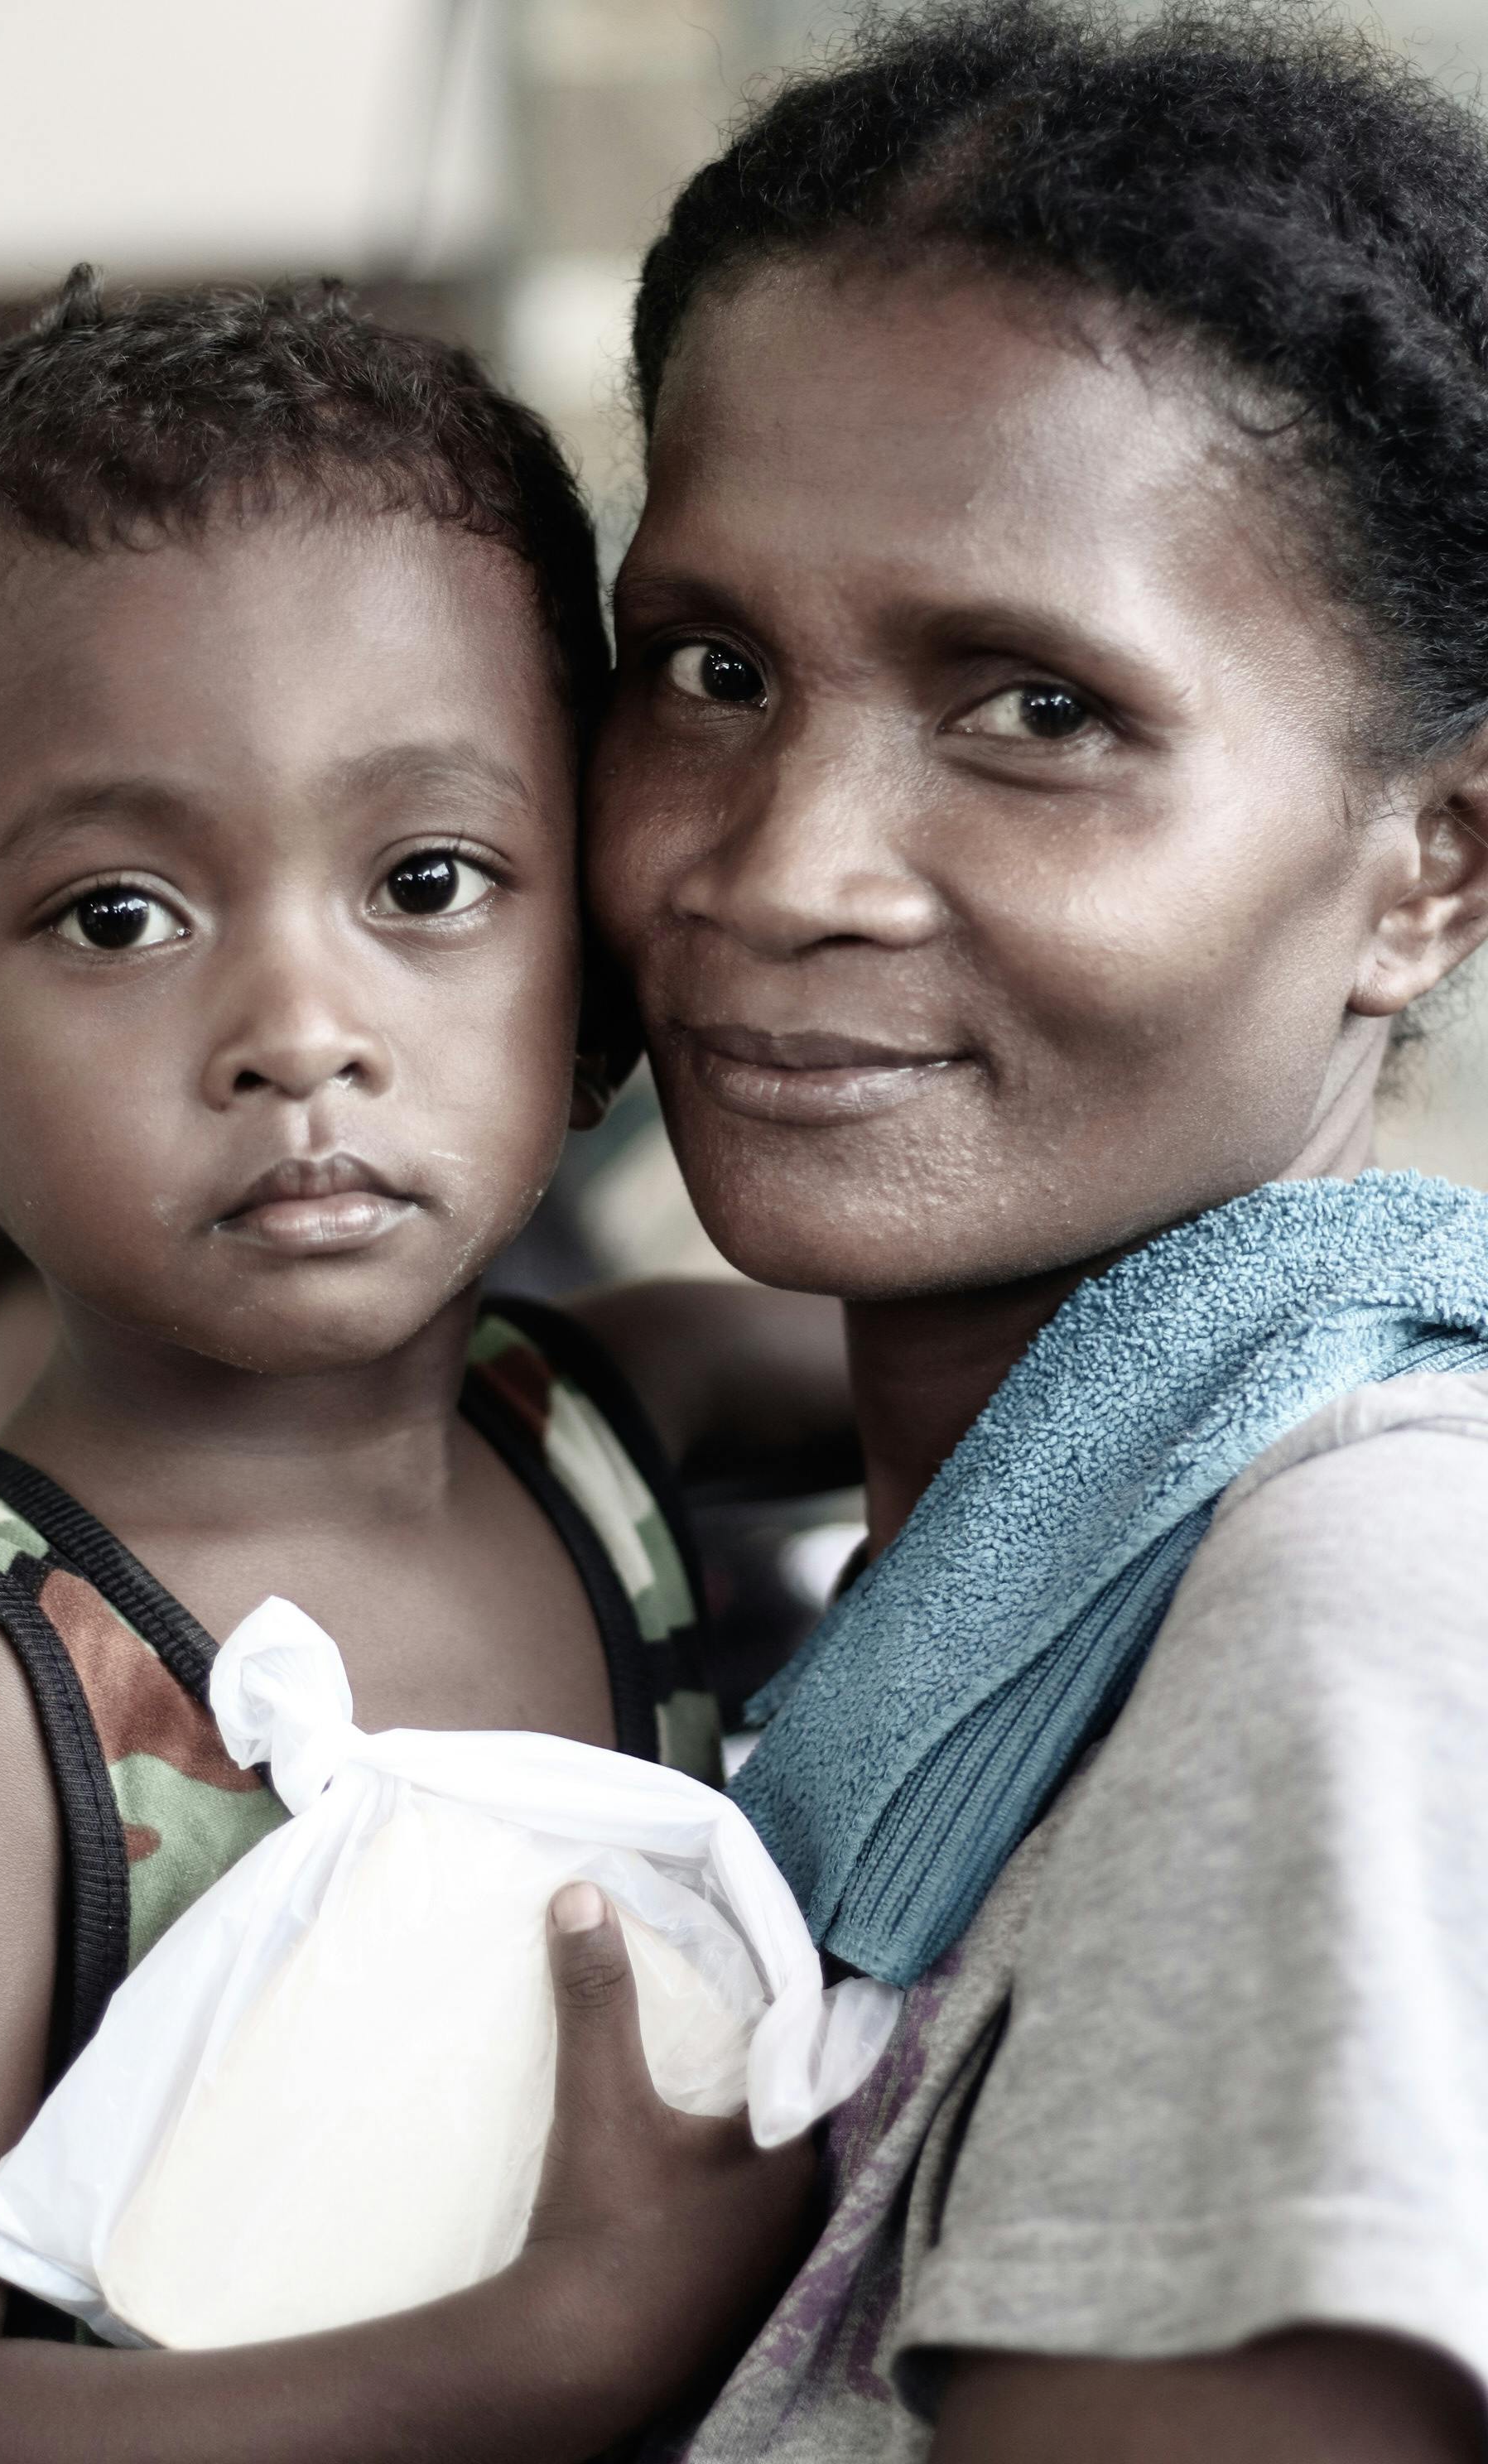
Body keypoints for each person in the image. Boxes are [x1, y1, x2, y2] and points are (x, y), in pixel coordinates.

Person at [588, 3, 1488, 2456]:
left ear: (1436, 866)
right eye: (711, 668)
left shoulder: (1363, 1634)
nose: (776, 867)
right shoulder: (885, 1612)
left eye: (1038, 711)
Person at [0, 272, 841, 2461]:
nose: (302, 1026)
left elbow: (1117, 1343)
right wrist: (545, 2352)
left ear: (582, 973)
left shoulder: (619, 1424)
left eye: (427, 877)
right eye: (121, 915)